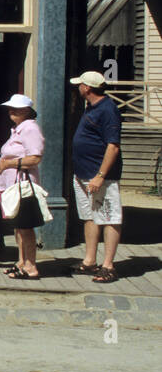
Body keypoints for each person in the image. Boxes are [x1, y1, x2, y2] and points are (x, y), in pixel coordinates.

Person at [68, 70, 123, 283]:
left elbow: (113, 146)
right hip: (83, 173)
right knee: (90, 216)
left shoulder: (108, 109)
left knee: (109, 216)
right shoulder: (91, 107)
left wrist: (100, 175)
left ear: (87, 88)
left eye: (80, 84)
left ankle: (108, 265)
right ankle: (90, 260)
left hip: (100, 176)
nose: (78, 87)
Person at [0, 93, 44, 279]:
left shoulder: (30, 128)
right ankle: (21, 261)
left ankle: (30, 266)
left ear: (27, 111)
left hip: (22, 185)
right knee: (18, 226)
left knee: (25, 226)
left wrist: (8, 164)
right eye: (10, 108)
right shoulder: (18, 129)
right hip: (10, 185)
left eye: (17, 108)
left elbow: (35, 158)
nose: (11, 111)